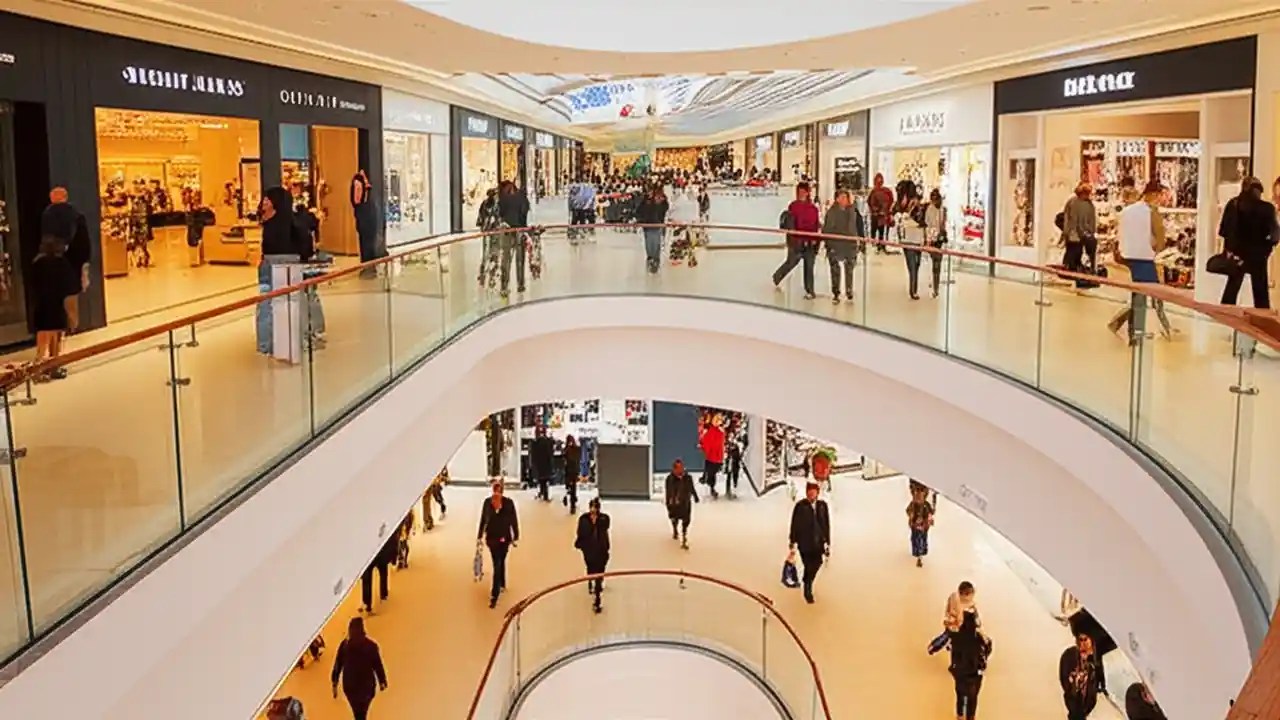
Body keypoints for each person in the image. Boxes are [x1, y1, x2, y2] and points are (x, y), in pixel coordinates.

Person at [1108, 180, 1172, 338]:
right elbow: (1160, 238)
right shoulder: (1152, 212)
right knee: (1154, 294)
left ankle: (1123, 325)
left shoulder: (1127, 211)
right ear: (1155, 194)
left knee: (1139, 294)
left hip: (1128, 255)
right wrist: (1157, 249)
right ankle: (1152, 329)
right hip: (1144, 257)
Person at [256, 187, 314, 354]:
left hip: (276, 264)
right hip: (289, 264)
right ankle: (297, 338)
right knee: (291, 302)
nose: (264, 203)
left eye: (267, 199)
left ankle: (266, 343)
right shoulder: (291, 221)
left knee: (268, 303)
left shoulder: (275, 223)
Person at [1218, 176, 1278, 309]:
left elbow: (1224, 231)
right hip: (1258, 255)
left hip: (1237, 254)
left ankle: (1225, 317)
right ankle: (1262, 319)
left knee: (1231, 291)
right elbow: (1274, 235)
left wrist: (1228, 249)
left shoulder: (1233, 205)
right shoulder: (1266, 208)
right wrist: (1267, 249)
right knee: (1261, 294)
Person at [40, 187, 90, 335]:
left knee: (55, 294)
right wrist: (84, 261)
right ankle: (73, 325)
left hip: (51, 259)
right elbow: (83, 241)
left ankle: (58, 326)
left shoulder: (46, 215)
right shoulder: (76, 215)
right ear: (66, 197)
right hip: (72, 260)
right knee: (72, 294)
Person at [29, 237, 80, 382]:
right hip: (56, 305)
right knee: (56, 338)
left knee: (42, 339)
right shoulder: (62, 265)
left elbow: (32, 285)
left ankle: (38, 367)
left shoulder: (37, 263)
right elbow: (69, 291)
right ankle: (53, 366)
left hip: (41, 305)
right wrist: (73, 315)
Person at [771, 182, 822, 298]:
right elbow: (791, 224)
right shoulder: (793, 206)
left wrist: (815, 239)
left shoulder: (813, 208)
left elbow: (815, 225)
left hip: (810, 242)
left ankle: (810, 290)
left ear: (808, 193)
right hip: (796, 241)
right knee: (791, 262)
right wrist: (793, 238)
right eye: (799, 192)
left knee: (809, 266)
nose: (801, 194)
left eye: (804, 191)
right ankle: (777, 276)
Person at [330, 617, 387, 720]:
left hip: (350, 687)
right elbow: (378, 664)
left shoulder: (344, 646)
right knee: (362, 711)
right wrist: (382, 680)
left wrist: (334, 681)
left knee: (357, 711)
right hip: (367, 687)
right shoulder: (371, 646)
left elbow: (338, 664)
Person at [477, 481, 519, 609]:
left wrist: (515, 535)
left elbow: (513, 520)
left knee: (501, 560)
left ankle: (501, 583)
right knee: (497, 562)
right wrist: (479, 535)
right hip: (492, 539)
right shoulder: (487, 503)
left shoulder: (508, 503)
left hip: (504, 538)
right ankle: (495, 592)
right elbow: (483, 519)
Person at [788, 481, 831, 604]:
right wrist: (792, 541)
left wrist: (828, 541)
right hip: (805, 542)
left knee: (818, 562)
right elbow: (794, 524)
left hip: (818, 542)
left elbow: (826, 525)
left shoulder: (823, 506)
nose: (811, 495)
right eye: (809, 492)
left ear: (817, 493)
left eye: (813, 492)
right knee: (808, 564)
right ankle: (808, 591)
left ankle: (807, 579)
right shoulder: (800, 506)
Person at [823, 188, 864, 304]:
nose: (844, 200)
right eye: (841, 197)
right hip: (835, 243)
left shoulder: (853, 212)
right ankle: (836, 292)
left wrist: (860, 242)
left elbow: (857, 227)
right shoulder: (831, 212)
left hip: (849, 244)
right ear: (837, 199)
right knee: (835, 268)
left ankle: (849, 290)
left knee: (849, 268)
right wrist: (828, 243)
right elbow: (827, 228)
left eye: (845, 197)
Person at [949, 609, 991, 720]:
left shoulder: (956, 636)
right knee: (973, 697)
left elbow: (952, 650)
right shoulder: (979, 638)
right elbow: (988, 648)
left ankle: (960, 715)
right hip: (975, 672)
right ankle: (970, 717)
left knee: (960, 694)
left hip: (960, 672)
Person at [575, 497, 611, 613]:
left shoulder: (604, 518)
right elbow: (580, 532)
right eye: (592, 507)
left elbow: (605, 527)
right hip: (589, 549)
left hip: (601, 549)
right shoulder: (583, 519)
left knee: (600, 569)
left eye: (595, 508)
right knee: (590, 567)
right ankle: (591, 580)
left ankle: (597, 594)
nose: (593, 510)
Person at [496, 180, 531, 297]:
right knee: (520, 259)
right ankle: (520, 284)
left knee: (506, 260)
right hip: (520, 230)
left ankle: (504, 286)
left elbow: (500, 214)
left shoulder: (503, 199)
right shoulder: (522, 198)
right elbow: (525, 211)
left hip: (507, 231)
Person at [1060, 633, 1102, 720]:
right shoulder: (1070, 657)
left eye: (1085, 640)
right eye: (1080, 640)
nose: (1082, 645)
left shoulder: (1095, 662)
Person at [896, 184, 927, 299]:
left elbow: (923, 222)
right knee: (913, 265)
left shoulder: (919, 208)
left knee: (915, 265)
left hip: (915, 239)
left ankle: (913, 288)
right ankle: (913, 289)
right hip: (909, 239)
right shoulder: (905, 207)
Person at [1061, 183, 1098, 275]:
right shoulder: (1074, 202)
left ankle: (1080, 268)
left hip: (1083, 232)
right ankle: (1071, 269)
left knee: (1080, 251)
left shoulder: (1089, 204)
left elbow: (1092, 219)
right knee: (1075, 251)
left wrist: (1091, 231)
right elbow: (1071, 219)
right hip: (1074, 233)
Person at [665, 459, 699, 549]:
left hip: (685, 502)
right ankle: (675, 529)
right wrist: (669, 501)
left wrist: (695, 496)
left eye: (682, 467)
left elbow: (691, 488)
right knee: (674, 518)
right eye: (678, 468)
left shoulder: (688, 478)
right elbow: (668, 490)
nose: (681, 470)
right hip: (674, 503)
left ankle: (684, 535)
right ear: (674, 469)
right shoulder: (670, 478)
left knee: (686, 519)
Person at [360, 531, 397, 614]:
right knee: (383, 572)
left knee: (367, 579)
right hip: (381, 552)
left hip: (370, 553)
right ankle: (383, 594)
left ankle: (367, 604)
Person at [636, 184, 670, 273]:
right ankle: (650, 258)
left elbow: (665, 209)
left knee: (656, 243)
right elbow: (639, 211)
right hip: (647, 226)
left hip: (657, 225)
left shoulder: (661, 201)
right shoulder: (645, 201)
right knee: (649, 244)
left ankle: (655, 260)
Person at [351, 170, 383, 265]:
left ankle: (368, 264)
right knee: (367, 243)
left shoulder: (363, 186)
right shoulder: (361, 184)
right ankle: (368, 264)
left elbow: (356, 200)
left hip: (366, 216)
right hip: (366, 216)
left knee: (367, 243)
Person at [924, 188, 948, 298]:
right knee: (936, 261)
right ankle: (935, 285)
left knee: (937, 262)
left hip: (937, 238)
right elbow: (929, 224)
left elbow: (932, 224)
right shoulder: (931, 209)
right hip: (934, 238)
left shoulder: (941, 209)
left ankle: (936, 286)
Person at [698, 413, 726, 499]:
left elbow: (708, 442)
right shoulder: (716, 431)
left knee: (711, 472)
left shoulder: (718, 432)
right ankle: (710, 486)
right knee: (711, 471)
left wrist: (703, 446)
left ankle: (710, 486)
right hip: (714, 457)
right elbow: (707, 441)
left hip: (714, 456)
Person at [906, 484, 935, 567]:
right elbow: (908, 511)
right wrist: (911, 516)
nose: (918, 497)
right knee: (915, 539)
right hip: (915, 526)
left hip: (924, 527)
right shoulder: (913, 505)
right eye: (916, 495)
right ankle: (918, 553)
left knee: (923, 539)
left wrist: (928, 519)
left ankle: (921, 553)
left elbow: (931, 513)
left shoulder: (926, 505)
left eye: (920, 495)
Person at [867, 173, 895, 254]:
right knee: (875, 230)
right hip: (877, 215)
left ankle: (881, 246)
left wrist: (887, 211)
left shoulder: (886, 191)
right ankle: (878, 246)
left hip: (882, 216)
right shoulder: (875, 191)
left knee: (881, 231)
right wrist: (875, 210)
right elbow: (870, 202)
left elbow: (891, 201)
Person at [529, 425, 554, 502]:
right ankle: (544, 495)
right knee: (545, 480)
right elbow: (550, 453)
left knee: (541, 480)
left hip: (539, 464)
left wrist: (533, 464)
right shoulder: (547, 442)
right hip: (546, 464)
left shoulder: (534, 442)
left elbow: (532, 454)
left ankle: (542, 493)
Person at [563, 434, 581, 515]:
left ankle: (572, 503)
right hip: (575, 471)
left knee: (570, 487)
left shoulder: (567, 449)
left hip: (569, 471)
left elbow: (564, 457)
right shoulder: (577, 449)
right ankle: (573, 502)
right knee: (573, 487)